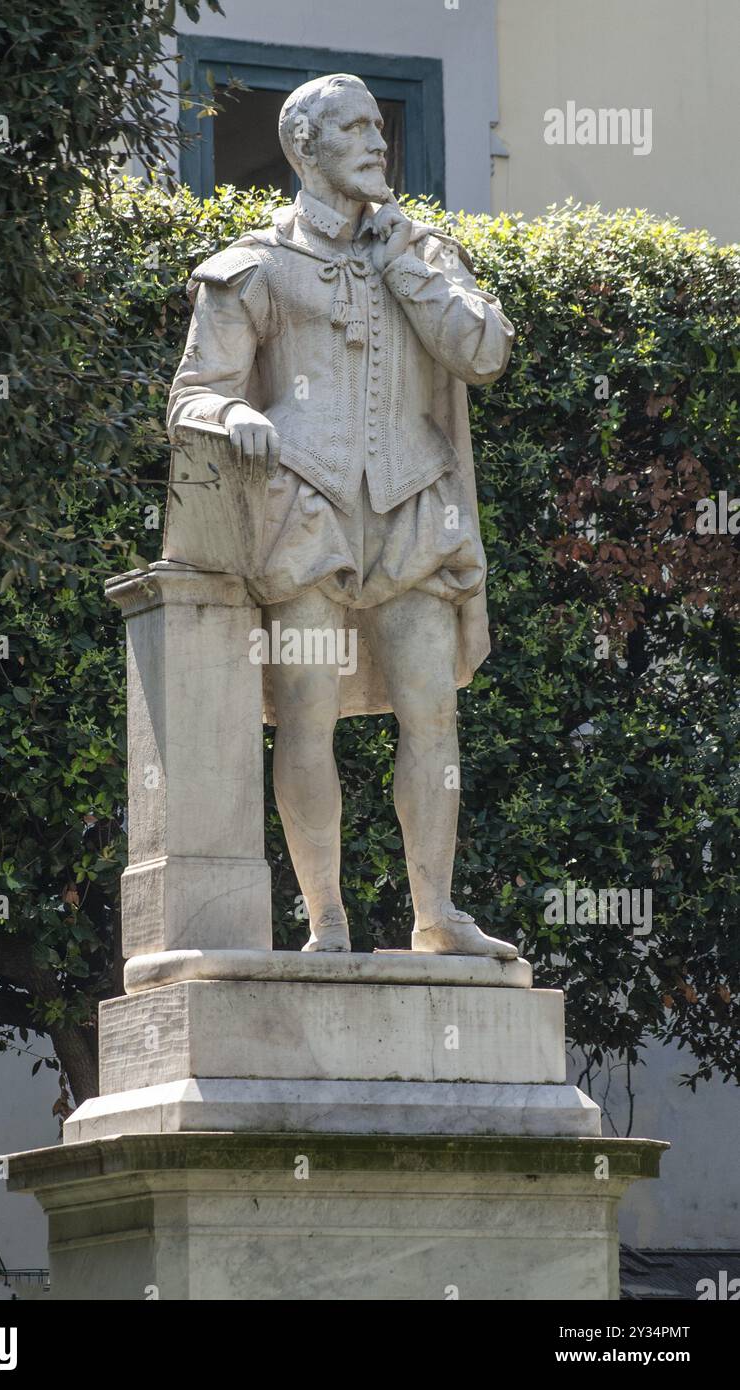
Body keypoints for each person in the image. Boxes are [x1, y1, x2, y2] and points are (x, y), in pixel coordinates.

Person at [167, 73, 518, 958]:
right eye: (353, 128)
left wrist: (403, 260)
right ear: (304, 148)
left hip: (412, 505)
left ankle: (435, 911)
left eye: (378, 124)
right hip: (305, 506)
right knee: (307, 712)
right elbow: (191, 397)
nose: (375, 141)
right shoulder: (255, 263)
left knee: (432, 712)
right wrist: (237, 414)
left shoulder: (424, 250)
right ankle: (326, 918)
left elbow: (482, 352)